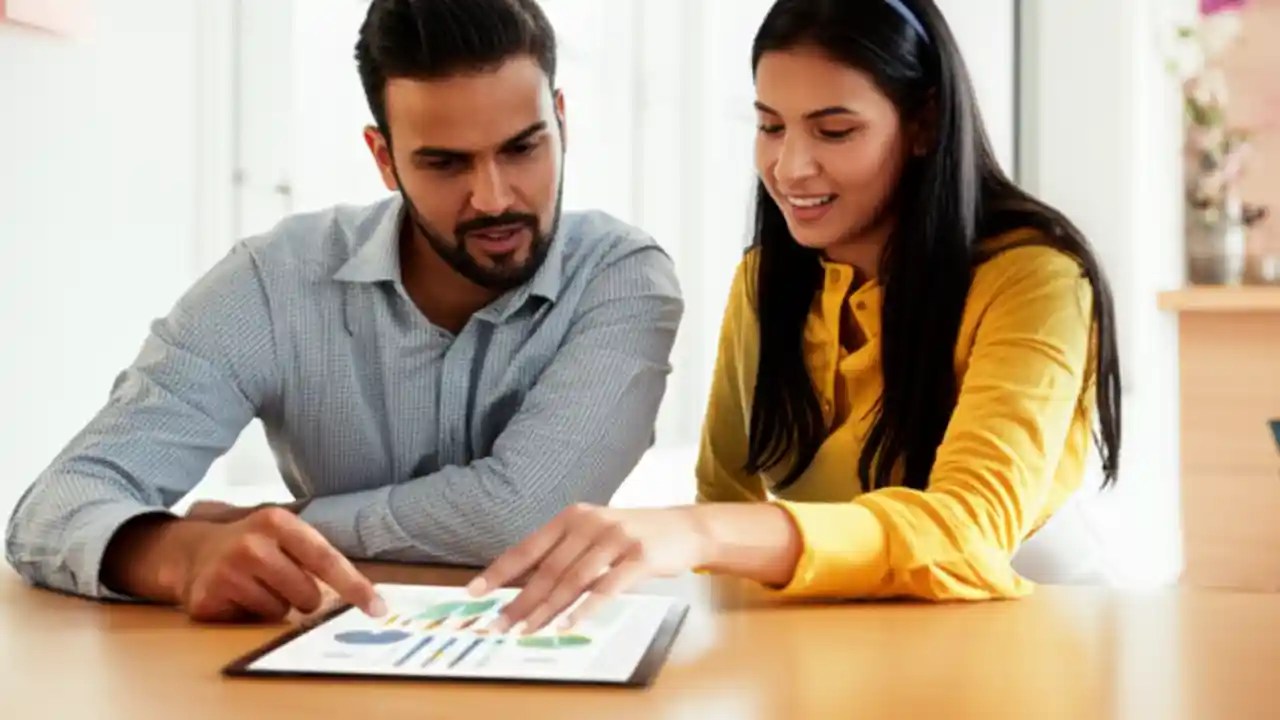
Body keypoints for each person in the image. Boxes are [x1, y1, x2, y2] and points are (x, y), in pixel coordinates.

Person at [4, 0, 682, 623]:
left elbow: (521, 513)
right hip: (319, 657)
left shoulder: (621, 278)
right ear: (384, 159)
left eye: (522, 148)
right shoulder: (276, 282)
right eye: (445, 164)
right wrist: (181, 554)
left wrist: (285, 523)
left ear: (561, 122)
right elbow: (55, 508)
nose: (494, 197)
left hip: (553, 666)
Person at [468, 0, 1122, 635]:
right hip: (842, 634)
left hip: (1030, 622)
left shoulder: (1035, 279)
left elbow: (969, 530)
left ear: (924, 123)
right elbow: (726, 493)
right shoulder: (767, 282)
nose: (789, 168)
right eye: (771, 127)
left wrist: (698, 531)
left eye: (834, 131)